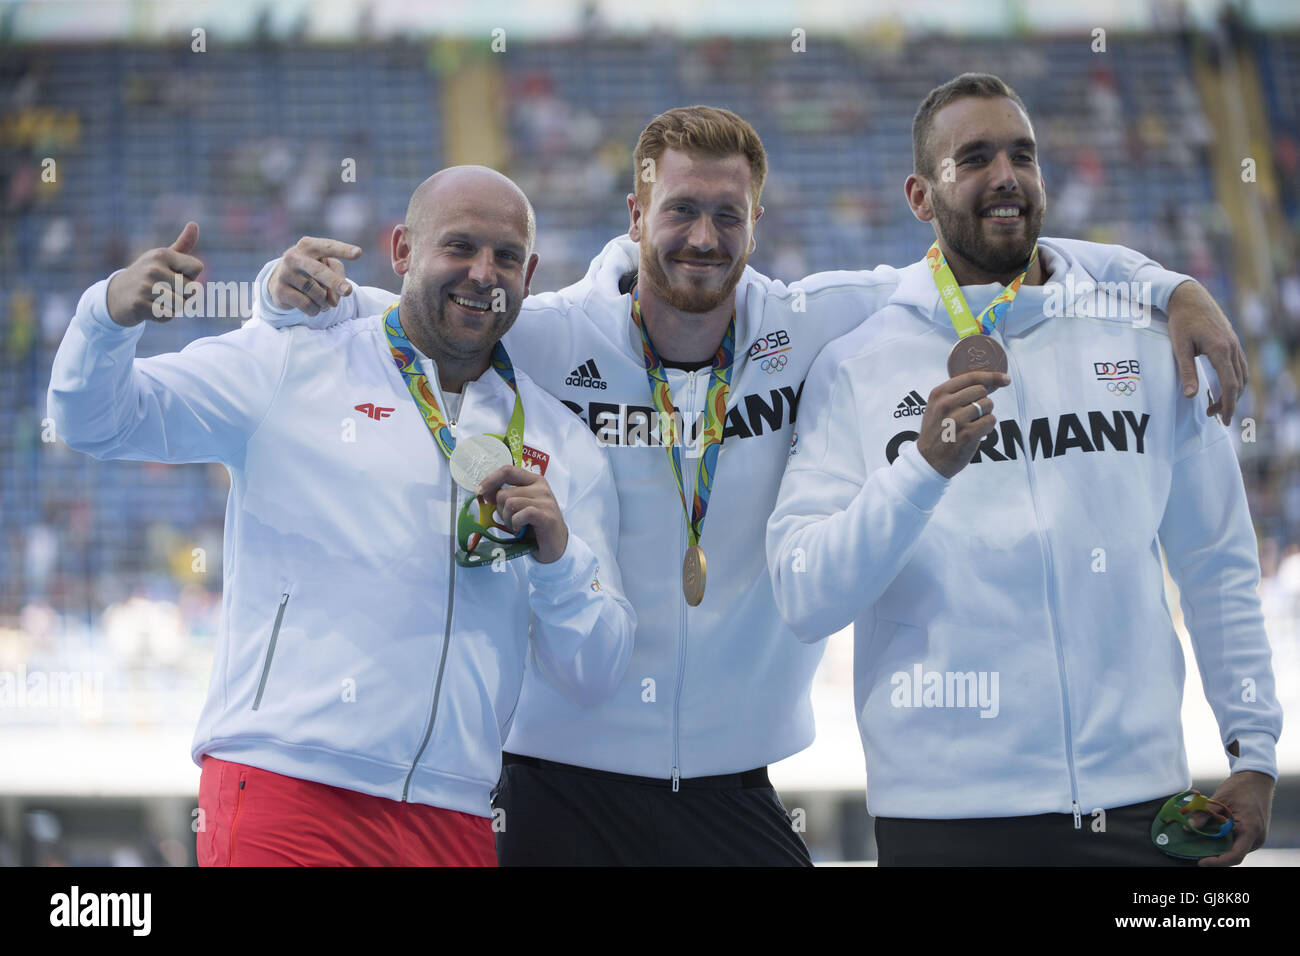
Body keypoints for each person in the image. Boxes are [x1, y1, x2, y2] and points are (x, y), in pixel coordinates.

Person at [254, 106, 1249, 866]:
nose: (702, 235)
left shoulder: (817, 322)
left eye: (727, 214)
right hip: (551, 776)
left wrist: (1168, 286)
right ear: (637, 211)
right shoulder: (550, 331)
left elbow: (990, 257)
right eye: (680, 209)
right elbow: (408, 311)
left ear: (756, 221)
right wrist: (274, 290)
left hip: (732, 783)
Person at [46, 166, 635, 867]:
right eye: (460, 247)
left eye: (506, 257)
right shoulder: (295, 359)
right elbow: (96, 421)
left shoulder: (561, 443)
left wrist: (561, 564)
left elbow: (596, 671)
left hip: (457, 814)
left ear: (530, 273)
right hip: (288, 784)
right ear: (404, 250)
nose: (484, 273)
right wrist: (108, 316)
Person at [766, 74, 1280, 866]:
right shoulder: (857, 365)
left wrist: (1253, 749)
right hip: (948, 818)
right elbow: (804, 594)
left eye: (1023, 155)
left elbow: (1216, 559)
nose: (1006, 175)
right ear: (919, 195)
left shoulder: (1148, 341)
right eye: (973, 158)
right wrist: (921, 474)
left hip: (1143, 806)